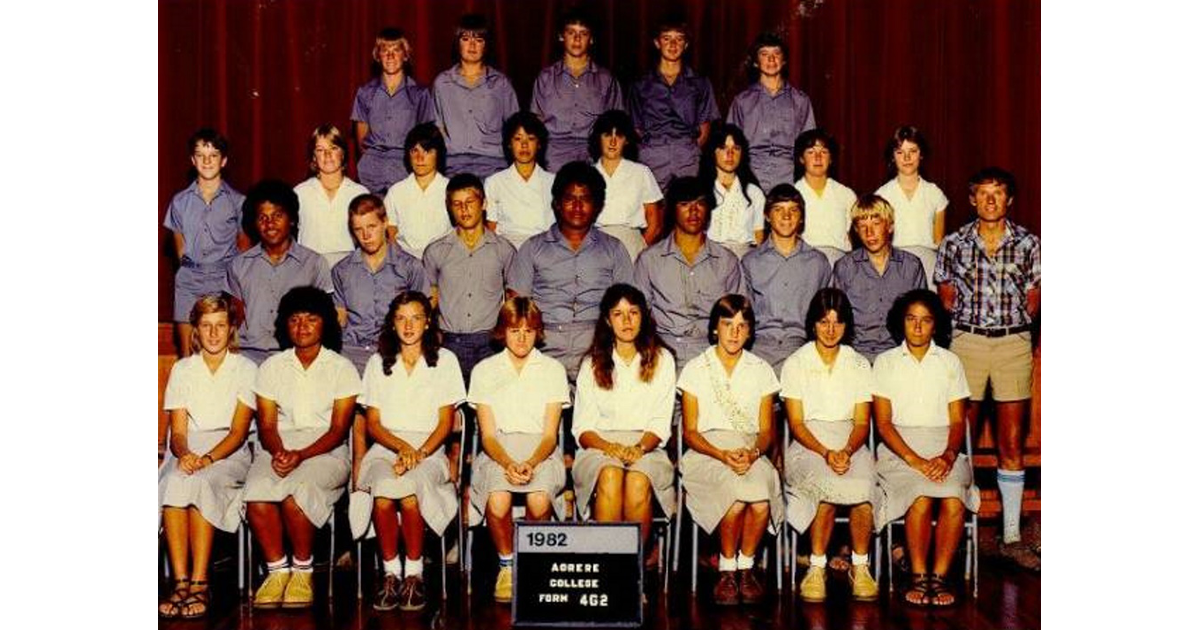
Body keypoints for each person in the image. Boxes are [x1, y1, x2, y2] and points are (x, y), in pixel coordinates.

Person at [934, 167, 1040, 570]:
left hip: (1014, 343)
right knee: (962, 438)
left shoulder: (1029, 244)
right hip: (968, 342)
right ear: (972, 199)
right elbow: (945, 298)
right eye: (983, 194)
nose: (991, 201)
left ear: (1009, 199)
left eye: (998, 194)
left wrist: (1008, 326)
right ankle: (958, 529)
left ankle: (1011, 533)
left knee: (1010, 443)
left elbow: (1034, 300)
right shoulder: (953, 244)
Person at [245, 286, 360, 609]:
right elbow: (267, 425)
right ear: (285, 325)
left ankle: (303, 569)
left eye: (311, 319)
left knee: (297, 495)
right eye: (295, 320)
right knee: (258, 492)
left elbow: (339, 430)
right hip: (278, 445)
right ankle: (277, 570)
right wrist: (279, 451)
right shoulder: (271, 367)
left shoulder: (341, 368)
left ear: (325, 323)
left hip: (325, 451)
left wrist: (301, 455)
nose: (303, 327)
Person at [873, 289, 979, 608]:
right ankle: (918, 575)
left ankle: (939, 577)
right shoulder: (886, 362)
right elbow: (884, 423)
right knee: (918, 493)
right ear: (900, 323)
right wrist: (914, 460)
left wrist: (948, 455)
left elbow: (958, 422)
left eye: (926, 321)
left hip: (944, 444)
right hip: (899, 449)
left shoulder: (950, 362)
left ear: (936, 325)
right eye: (911, 320)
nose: (918, 328)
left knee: (952, 497)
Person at [359, 292, 464, 612]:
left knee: (408, 492)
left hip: (430, 449)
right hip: (385, 447)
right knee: (382, 491)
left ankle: (415, 575)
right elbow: (373, 424)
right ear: (392, 323)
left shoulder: (445, 360)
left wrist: (419, 453)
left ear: (428, 321)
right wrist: (402, 448)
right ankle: (391, 573)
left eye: (416, 317)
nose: (408, 325)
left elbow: (447, 422)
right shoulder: (378, 363)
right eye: (401, 318)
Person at [678, 295, 783, 606]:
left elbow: (766, 432)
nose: (734, 333)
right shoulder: (697, 368)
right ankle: (726, 568)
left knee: (761, 498)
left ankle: (746, 567)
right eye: (727, 325)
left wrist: (752, 454)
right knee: (736, 499)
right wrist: (722, 455)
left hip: (748, 449)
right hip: (706, 452)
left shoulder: (761, 369)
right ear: (715, 329)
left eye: (742, 326)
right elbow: (690, 432)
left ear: (750, 332)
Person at [467, 297, 571, 603]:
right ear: (502, 332)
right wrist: (509, 463)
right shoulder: (485, 370)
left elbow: (551, 435)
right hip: (499, 450)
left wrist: (530, 462)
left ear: (538, 332)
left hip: (541, 450)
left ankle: (530, 562)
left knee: (539, 500)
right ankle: (507, 564)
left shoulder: (552, 369)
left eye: (528, 330)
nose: (522, 337)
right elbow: (486, 436)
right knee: (498, 499)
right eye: (514, 330)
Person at [159, 294, 256, 619]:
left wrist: (208, 459)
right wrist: (185, 453)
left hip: (228, 452)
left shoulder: (245, 369)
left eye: (220, 326)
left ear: (231, 330)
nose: (213, 334)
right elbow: (179, 432)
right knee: (174, 481)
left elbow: (238, 432)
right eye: (205, 326)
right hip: (189, 451)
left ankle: (201, 581)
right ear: (196, 331)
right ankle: (180, 581)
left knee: (200, 482)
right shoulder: (183, 369)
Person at [781, 288, 879, 602]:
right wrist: (826, 452)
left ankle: (860, 567)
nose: (830, 329)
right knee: (825, 484)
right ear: (813, 324)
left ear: (847, 326)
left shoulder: (859, 364)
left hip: (850, 440)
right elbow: (796, 424)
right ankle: (817, 566)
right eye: (824, 322)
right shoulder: (796, 362)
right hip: (809, 443)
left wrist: (847, 451)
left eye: (837, 323)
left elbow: (862, 422)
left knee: (863, 485)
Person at [572, 284, 677, 553]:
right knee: (610, 474)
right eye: (618, 314)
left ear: (643, 316)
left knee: (638, 480)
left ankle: (632, 574)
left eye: (633, 312)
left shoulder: (662, 359)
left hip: (647, 446)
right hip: (599, 446)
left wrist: (638, 449)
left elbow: (660, 422)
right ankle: (608, 570)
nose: (627, 321)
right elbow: (583, 427)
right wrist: (610, 448)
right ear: (608, 320)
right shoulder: (592, 363)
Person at [509, 161, 634, 382]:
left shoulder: (614, 249)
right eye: (569, 199)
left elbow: (627, 309)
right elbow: (517, 308)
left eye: (585, 199)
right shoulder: (532, 248)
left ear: (597, 205)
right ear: (557, 203)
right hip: (544, 344)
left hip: (597, 345)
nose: (577, 207)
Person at [635, 176, 746, 370]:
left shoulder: (727, 261)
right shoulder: (649, 259)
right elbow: (639, 316)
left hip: (714, 352)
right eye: (685, 204)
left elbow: (739, 316)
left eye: (700, 204)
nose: (693, 211)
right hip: (663, 354)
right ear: (673, 209)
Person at [226, 179, 333, 365]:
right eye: (262, 218)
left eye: (277, 216)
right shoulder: (239, 266)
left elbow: (326, 322)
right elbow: (233, 322)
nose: (270, 224)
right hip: (248, 357)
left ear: (291, 219)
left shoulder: (315, 264)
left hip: (295, 358)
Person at [425, 173, 517, 386]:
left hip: (490, 343)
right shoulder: (436, 251)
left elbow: (512, 301)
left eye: (470, 202)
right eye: (457, 204)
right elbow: (430, 301)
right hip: (449, 343)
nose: (464, 210)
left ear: (483, 203)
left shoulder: (504, 250)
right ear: (449, 207)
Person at [163, 128, 249, 357]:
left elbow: (243, 248)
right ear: (193, 160)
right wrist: (192, 271)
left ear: (224, 161)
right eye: (201, 155)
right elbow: (179, 249)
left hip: (223, 281)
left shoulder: (238, 202)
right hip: (189, 282)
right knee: (187, 356)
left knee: (224, 353)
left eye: (213, 155)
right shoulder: (180, 202)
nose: (207, 161)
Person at [332, 193, 428, 373]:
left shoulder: (410, 267)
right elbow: (340, 319)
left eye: (372, 226)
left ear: (385, 223)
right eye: (358, 229)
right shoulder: (341, 270)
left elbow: (421, 318)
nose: (366, 235)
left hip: (395, 353)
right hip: (351, 354)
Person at [740, 184, 831, 372]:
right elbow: (743, 316)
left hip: (803, 349)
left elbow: (825, 316)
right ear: (766, 216)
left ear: (802, 218)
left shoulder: (818, 262)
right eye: (778, 210)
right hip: (759, 348)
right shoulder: (751, 262)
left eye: (793, 210)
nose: (786, 216)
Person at [627, 17, 720, 190]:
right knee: (653, 208)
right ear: (657, 43)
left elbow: (705, 128)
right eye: (666, 38)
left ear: (686, 45)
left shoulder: (700, 83)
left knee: (687, 206)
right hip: (652, 154)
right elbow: (636, 128)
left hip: (687, 154)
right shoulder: (641, 84)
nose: (673, 44)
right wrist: (654, 150)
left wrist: (687, 150)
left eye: (679, 39)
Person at [831, 194, 925, 362]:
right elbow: (837, 319)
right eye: (862, 226)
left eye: (876, 224)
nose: (869, 232)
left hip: (899, 355)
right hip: (856, 356)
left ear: (889, 226)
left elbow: (923, 317)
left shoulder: (911, 266)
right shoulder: (845, 267)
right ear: (856, 230)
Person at [530, 8, 624, 172]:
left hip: (593, 154)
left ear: (592, 39)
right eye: (571, 32)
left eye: (583, 33)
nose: (577, 39)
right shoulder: (545, 78)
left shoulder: (606, 79)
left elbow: (616, 124)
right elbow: (535, 123)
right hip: (553, 156)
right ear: (561, 36)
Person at [432, 13, 520, 179]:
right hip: (454, 165)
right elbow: (438, 127)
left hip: (494, 165)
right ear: (457, 43)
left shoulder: (501, 83)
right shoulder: (442, 83)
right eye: (466, 39)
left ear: (486, 45)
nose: (472, 45)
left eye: (479, 40)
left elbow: (514, 128)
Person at [726, 32, 816, 191]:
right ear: (755, 62)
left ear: (784, 60)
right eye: (764, 54)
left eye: (776, 54)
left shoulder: (800, 100)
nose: (771, 59)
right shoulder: (742, 101)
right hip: (750, 176)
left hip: (789, 176)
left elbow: (809, 146)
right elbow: (730, 144)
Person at [351, 27, 436, 195]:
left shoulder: (420, 94)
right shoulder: (365, 92)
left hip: (404, 171)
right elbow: (362, 142)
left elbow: (425, 138)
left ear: (405, 55)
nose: (390, 56)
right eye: (384, 50)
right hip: (371, 173)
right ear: (377, 55)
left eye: (396, 50)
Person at [875, 125, 949, 289]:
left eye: (913, 151)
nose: (907, 157)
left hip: (927, 265)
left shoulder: (935, 194)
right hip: (894, 264)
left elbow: (939, 241)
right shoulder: (882, 195)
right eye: (900, 152)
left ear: (921, 154)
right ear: (893, 157)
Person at [588, 109, 664, 260]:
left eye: (619, 136)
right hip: (594, 244)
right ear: (599, 138)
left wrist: (641, 249)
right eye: (608, 135)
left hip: (631, 244)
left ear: (627, 140)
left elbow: (655, 222)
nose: (613, 141)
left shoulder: (641, 172)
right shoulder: (587, 174)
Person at [294, 124, 370, 269]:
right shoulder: (300, 193)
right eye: (320, 150)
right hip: (311, 271)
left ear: (343, 154)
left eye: (333, 148)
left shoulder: (359, 193)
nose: (327, 155)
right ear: (314, 157)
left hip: (349, 270)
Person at [484, 112, 556, 250]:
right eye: (518, 139)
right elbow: (491, 229)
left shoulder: (553, 182)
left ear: (539, 144)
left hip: (543, 248)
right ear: (509, 144)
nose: (524, 145)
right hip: (507, 249)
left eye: (530, 138)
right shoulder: (494, 182)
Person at [384, 123, 452, 259]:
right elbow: (391, 233)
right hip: (406, 259)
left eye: (427, 151)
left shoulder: (449, 189)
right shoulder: (396, 192)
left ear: (438, 154)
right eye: (415, 151)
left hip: (443, 259)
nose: (420, 158)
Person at [700, 122, 765, 258]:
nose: (730, 154)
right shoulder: (700, 190)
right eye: (723, 148)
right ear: (713, 151)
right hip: (708, 257)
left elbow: (759, 236)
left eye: (736, 148)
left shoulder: (753, 192)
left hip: (744, 257)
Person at [794, 128, 856, 266]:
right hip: (804, 262)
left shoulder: (846, 194)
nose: (818, 158)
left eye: (824, 152)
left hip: (840, 262)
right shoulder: (792, 194)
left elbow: (850, 237)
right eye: (811, 152)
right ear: (801, 158)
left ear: (831, 158)